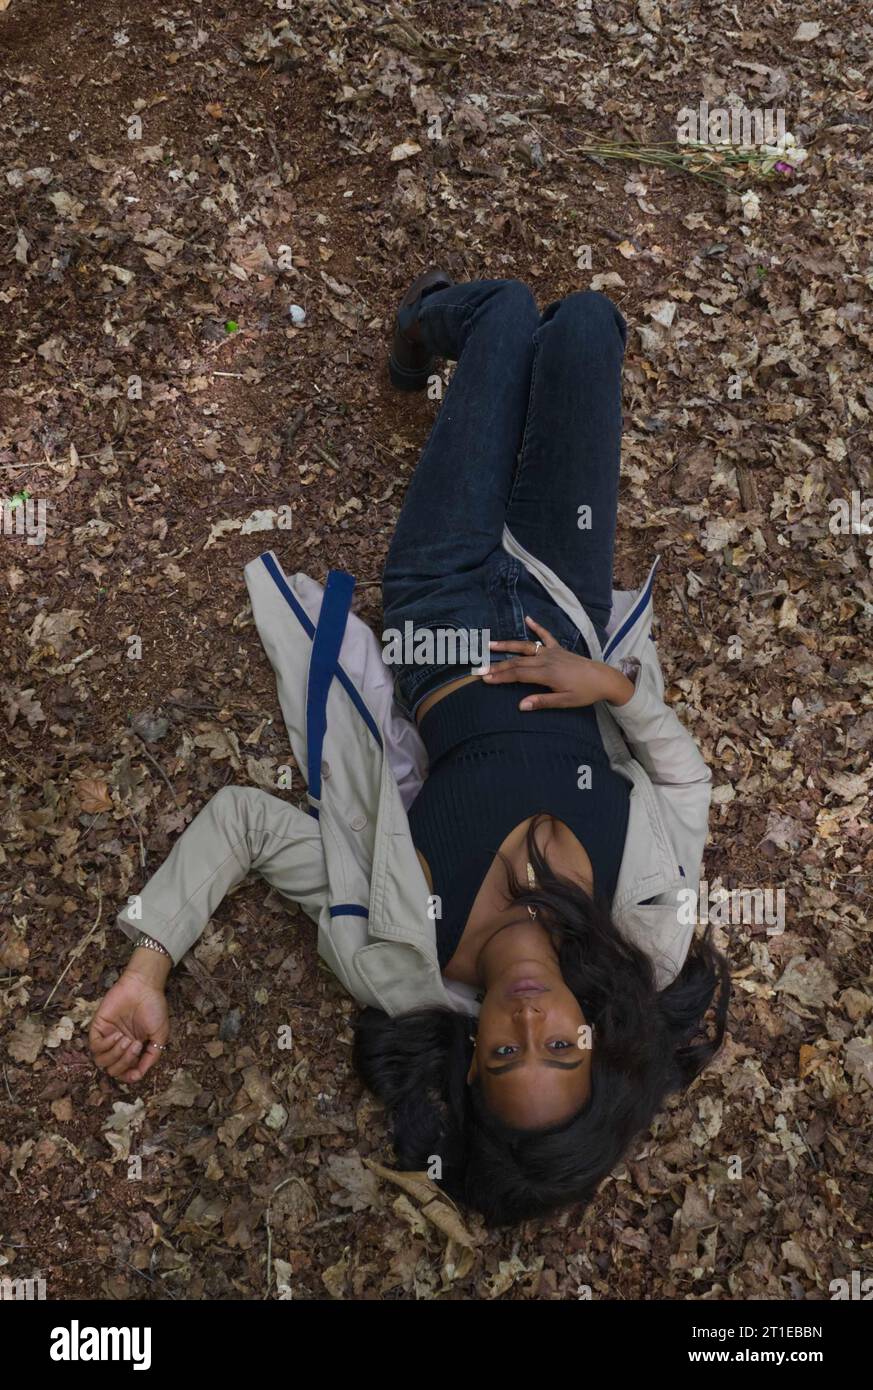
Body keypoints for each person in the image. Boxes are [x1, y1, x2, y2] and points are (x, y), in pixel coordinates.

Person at [89, 274, 728, 1226]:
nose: (529, 1020)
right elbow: (684, 784)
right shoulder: (647, 938)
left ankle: (416, 332)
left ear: (468, 1066)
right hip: (564, 600)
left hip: (442, 602)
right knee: (589, 325)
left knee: (504, 317)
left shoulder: (396, 952)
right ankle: (519, 364)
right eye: (561, 1048)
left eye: (505, 1054)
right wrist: (615, 691)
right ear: (598, 1044)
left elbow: (248, 826)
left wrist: (147, 967)